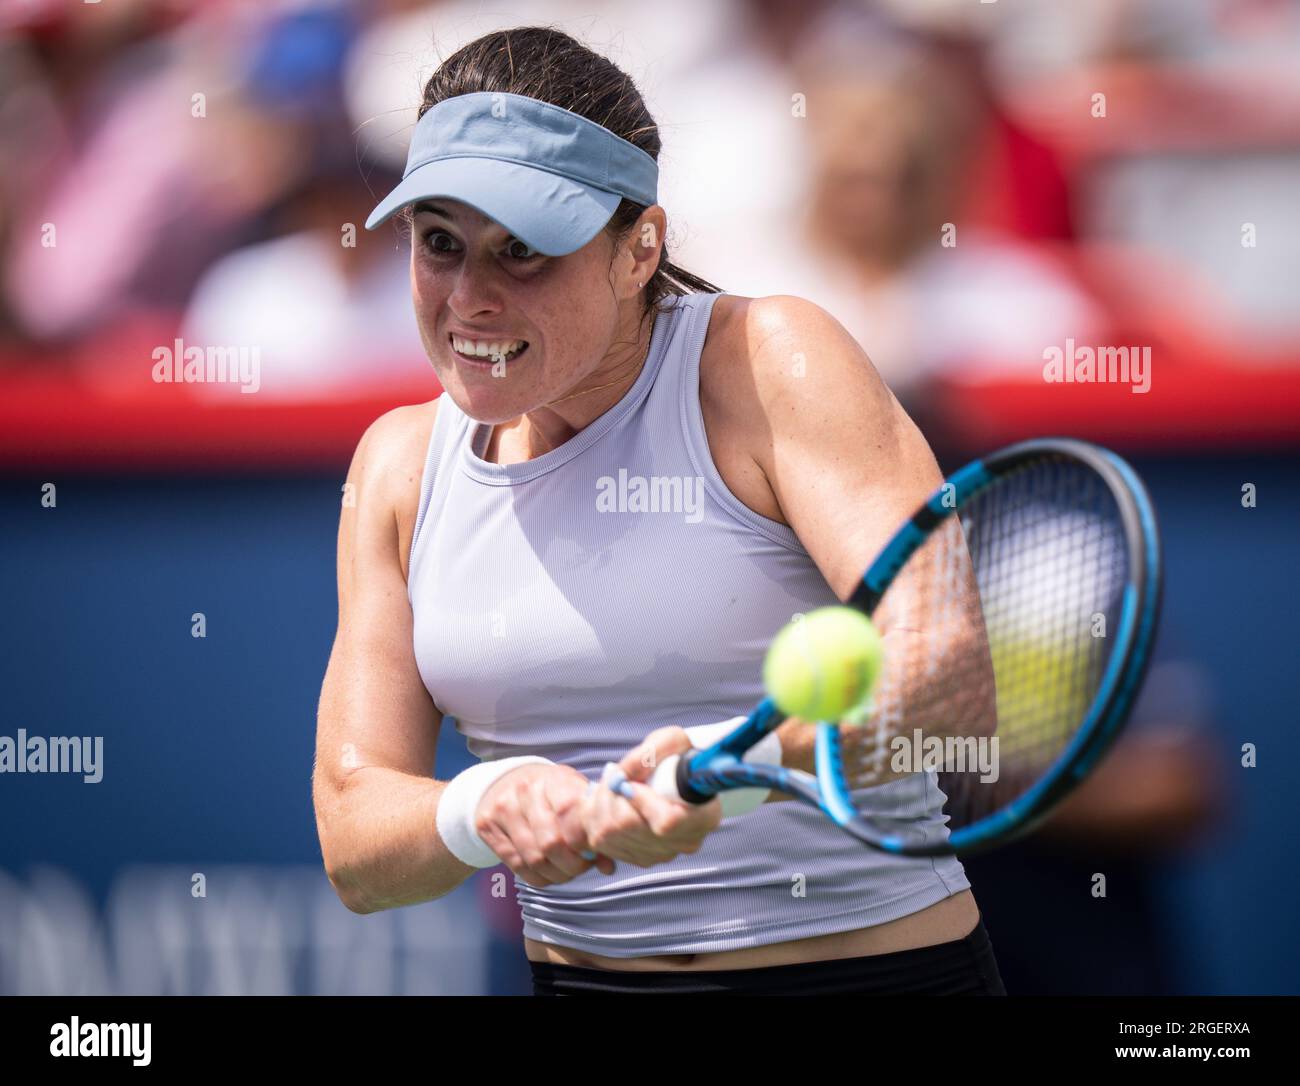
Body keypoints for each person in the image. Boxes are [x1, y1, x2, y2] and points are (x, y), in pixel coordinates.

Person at [312, 25, 1005, 996]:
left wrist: (732, 760)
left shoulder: (772, 363)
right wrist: (488, 803)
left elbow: (947, 676)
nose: (469, 299)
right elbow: (355, 836)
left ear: (639, 249)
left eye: (524, 253)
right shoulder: (396, 468)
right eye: (440, 244)